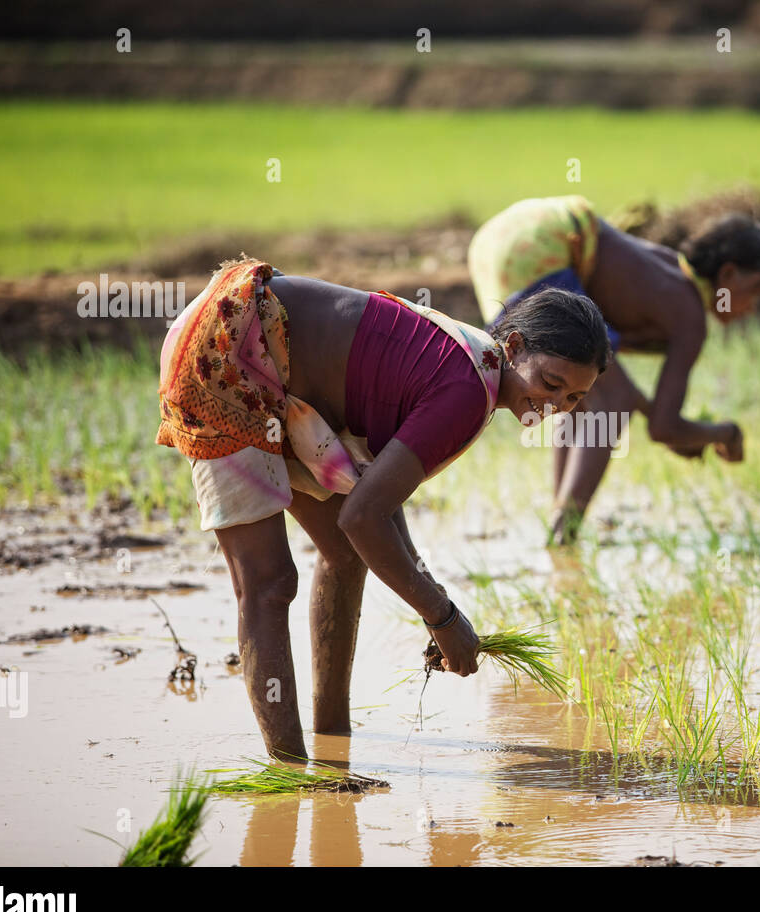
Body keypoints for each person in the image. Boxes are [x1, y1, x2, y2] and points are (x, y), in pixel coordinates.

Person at [156, 257, 609, 760]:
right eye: (550, 384)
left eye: (573, 398)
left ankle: (331, 744)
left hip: (279, 365)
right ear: (516, 346)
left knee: (345, 557)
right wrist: (441, 617)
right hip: (228, 347)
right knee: (268, 583)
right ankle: (288, 772)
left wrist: (433, 596)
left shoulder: (475, 365)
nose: (555, 406)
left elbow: (376, 500)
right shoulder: (466, 391)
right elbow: (362, 518)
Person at [468, 195, 760, 543]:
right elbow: (664, 427)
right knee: (609, 403)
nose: (751, 307)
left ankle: (560, 525)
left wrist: (662, 420)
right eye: (755, 291)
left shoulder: (669, 272)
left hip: (499, 241)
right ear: (728, 273)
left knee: (579, 395)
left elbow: (631, 403)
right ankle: (564, 535)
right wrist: (725, 433)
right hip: (542, 245)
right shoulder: (690, 317)